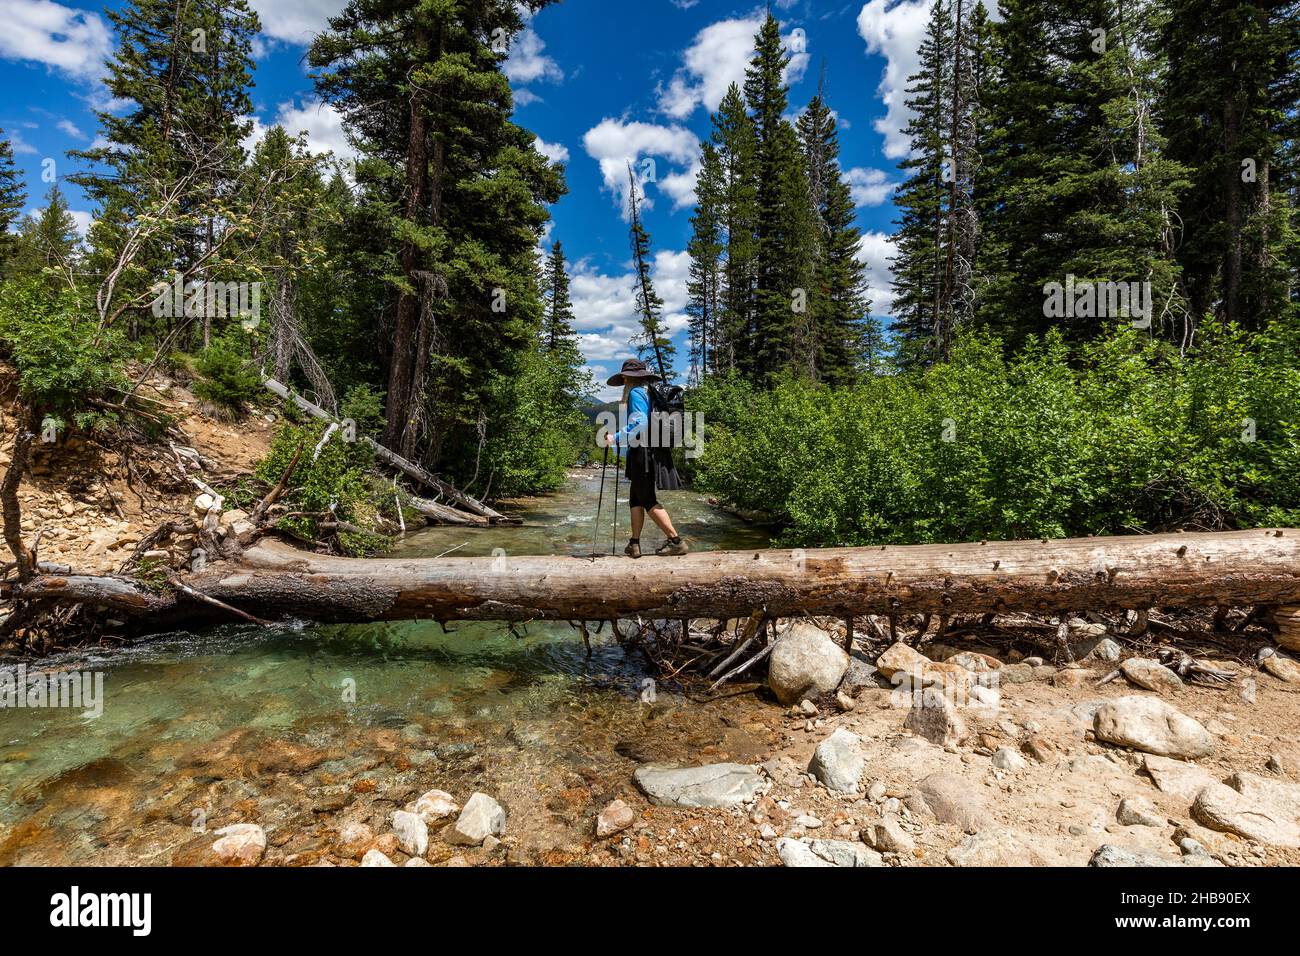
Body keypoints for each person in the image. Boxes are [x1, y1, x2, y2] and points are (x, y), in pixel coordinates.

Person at [603, 359, 689, 558]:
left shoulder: (635, 392)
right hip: (650, 449)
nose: (624, 381)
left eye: (624, 377)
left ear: (628, 378)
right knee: (636, 498)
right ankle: (634, 544)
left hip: (643, 451)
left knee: (648, 499)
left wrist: (614, 437)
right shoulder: (650, 391)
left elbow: (640, 422)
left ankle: (676, 541)